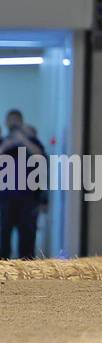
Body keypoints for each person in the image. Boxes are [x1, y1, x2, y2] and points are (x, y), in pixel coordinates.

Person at [0, 110, 47, 260]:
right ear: (6, 123)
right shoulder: (3, 141)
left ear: (21, 122)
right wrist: (8, 143)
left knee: (27, 244)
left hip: (28, 200)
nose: (13, 123)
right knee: (2, 242)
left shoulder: (32, 142)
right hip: (4, 200)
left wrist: (23, 140)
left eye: (16, 120)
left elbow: (40, 156)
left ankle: (25, 278)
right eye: (11, 120)